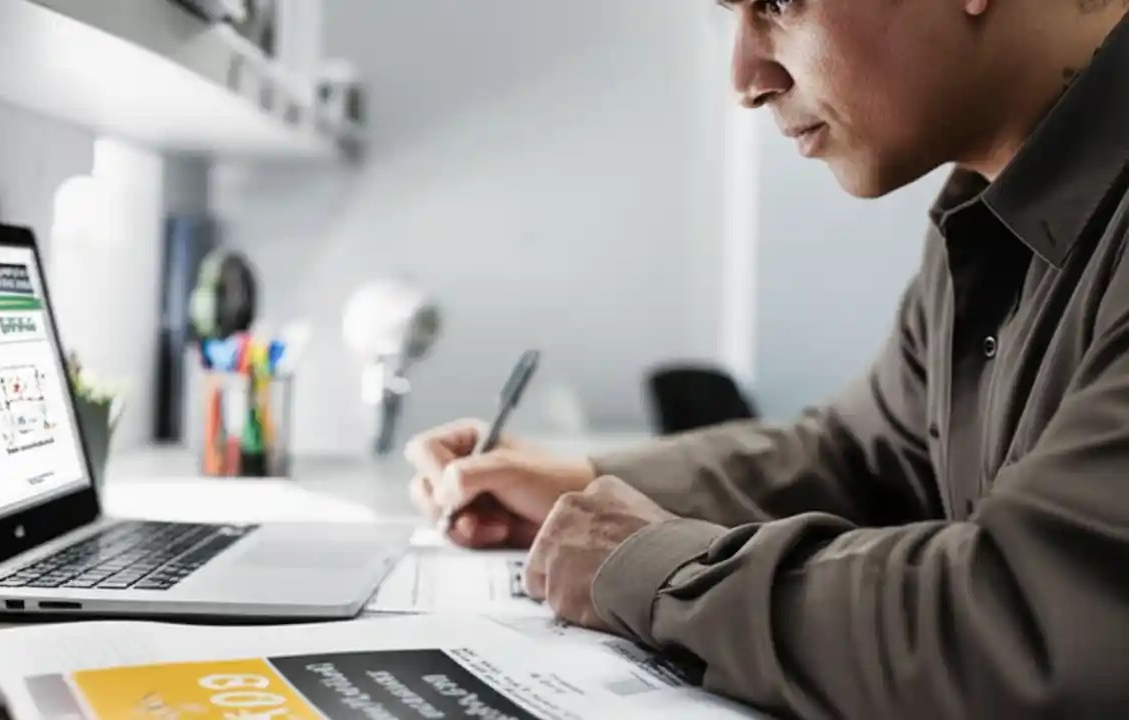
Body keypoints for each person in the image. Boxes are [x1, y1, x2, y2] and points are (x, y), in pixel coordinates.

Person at [405, 0, 1129, 717]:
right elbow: (855, 456)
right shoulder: (987, 220)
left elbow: (1027, 625)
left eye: (777, 4)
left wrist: (657, 570)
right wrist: (582, 486)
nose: (745, 78)